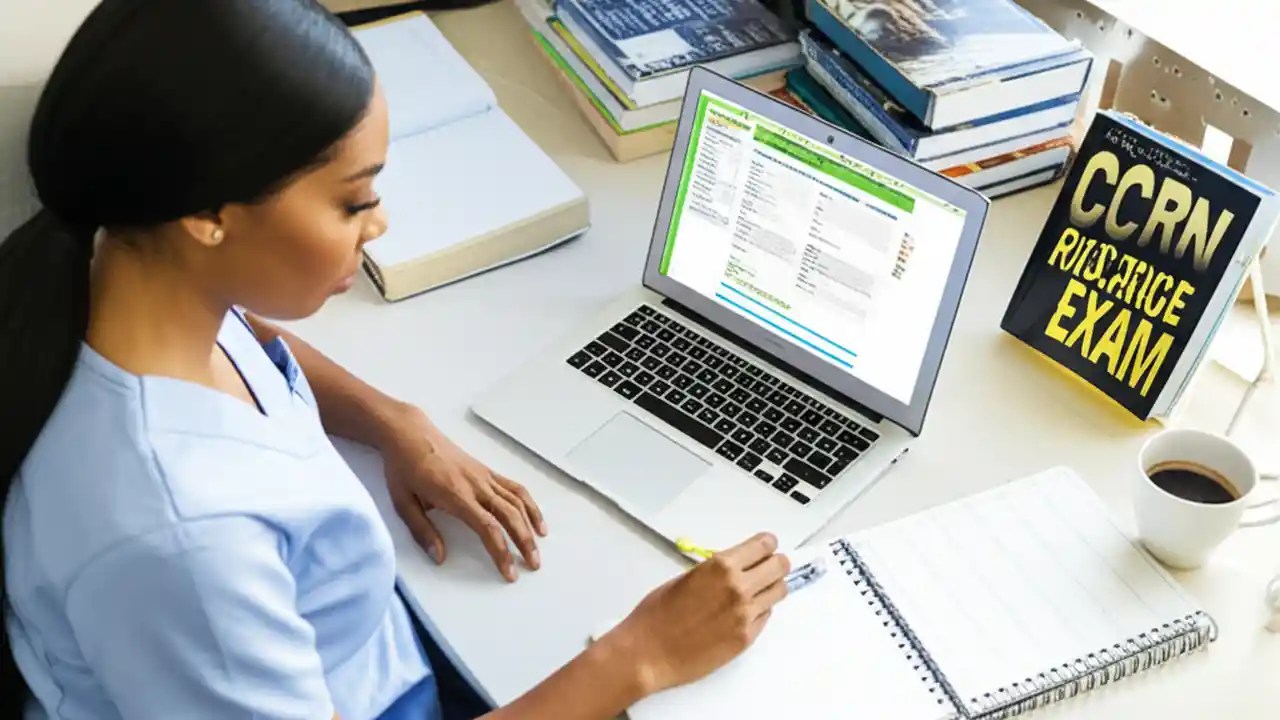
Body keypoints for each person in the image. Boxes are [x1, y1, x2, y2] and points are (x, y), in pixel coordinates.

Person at [0, 1, 790, 719]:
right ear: (207, 213)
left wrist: (392, 422)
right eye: (353, 200)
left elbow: (249, 345)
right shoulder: (181, 543)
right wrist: (641, 656)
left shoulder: (117, 268)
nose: (379, 225)